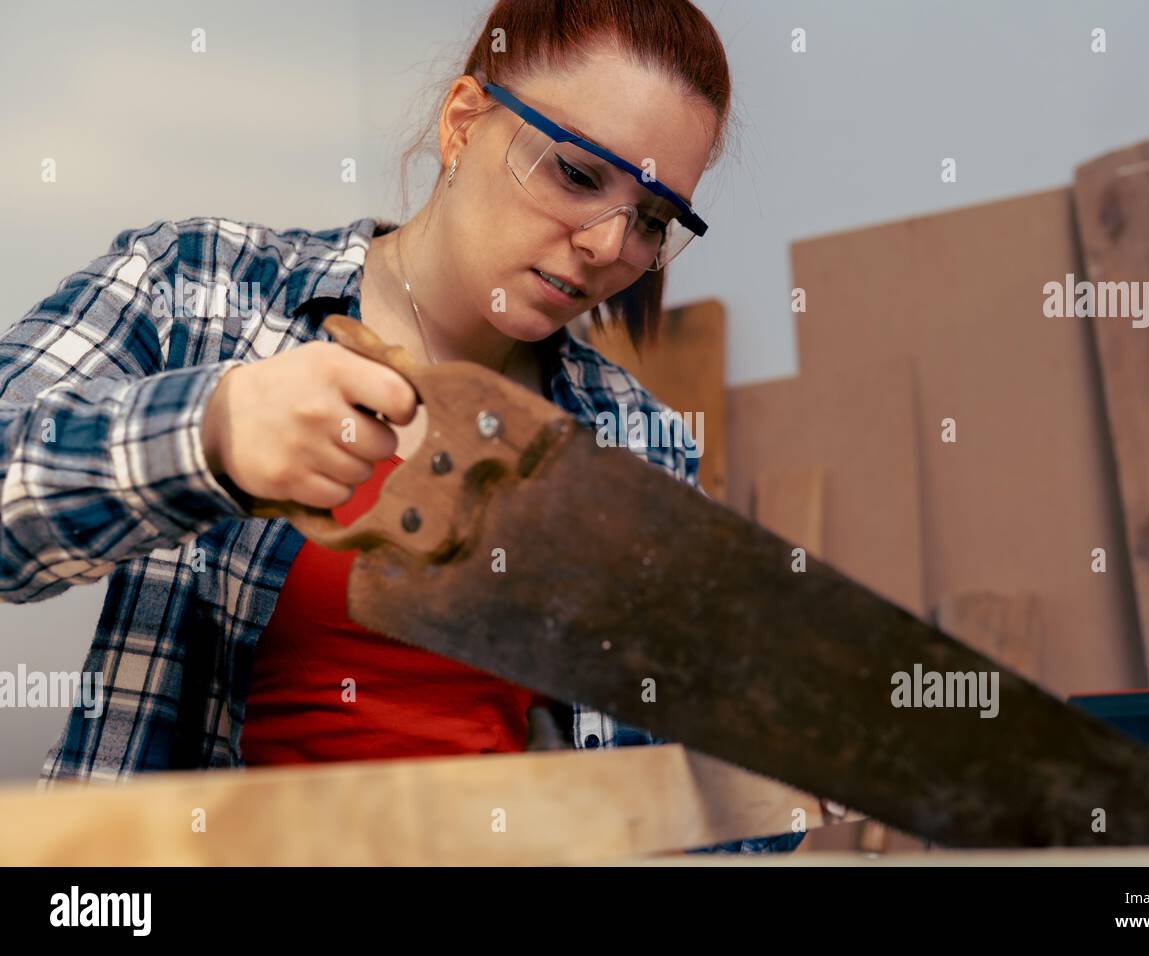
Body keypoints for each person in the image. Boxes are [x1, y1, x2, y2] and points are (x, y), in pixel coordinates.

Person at [0, 0, 804, 856]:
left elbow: (699, 810)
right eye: (577, 173)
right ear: (464, 123)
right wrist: (212, 433)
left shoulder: (637, 445)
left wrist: (787, 775)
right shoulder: (199, 289)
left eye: (651, 218)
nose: (611, 246)